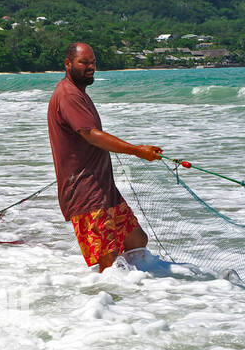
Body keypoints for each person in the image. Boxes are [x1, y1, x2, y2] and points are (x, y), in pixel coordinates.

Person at [47, 42, 164, 272]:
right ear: (68, 64)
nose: (90, 67)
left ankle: (144, 296)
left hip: (103, 187)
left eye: (93, 63)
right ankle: (104, 303)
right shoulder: (69, 95)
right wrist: (138, 151)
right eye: (84, 62)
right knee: (106, 262)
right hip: (85, 191)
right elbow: (91, 135)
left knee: (136, 242)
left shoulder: (78, 93)